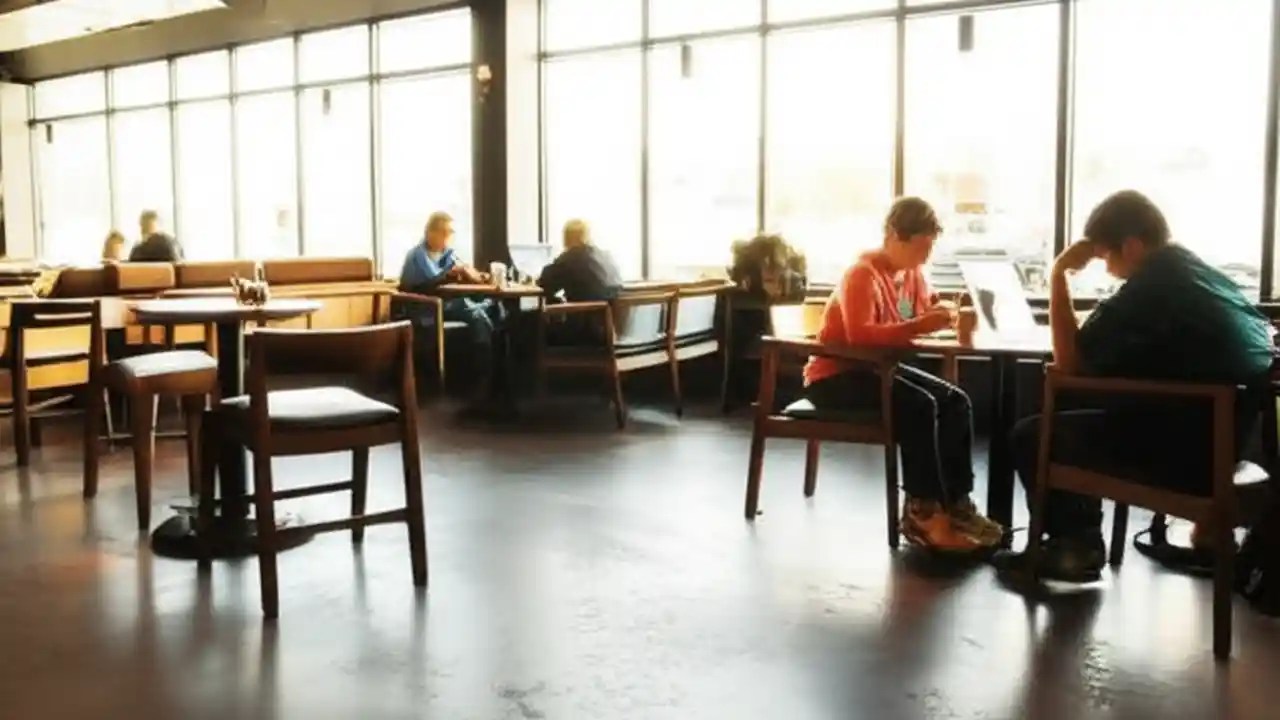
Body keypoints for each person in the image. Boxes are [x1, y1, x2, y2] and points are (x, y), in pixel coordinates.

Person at [998, 190, 1275, 582]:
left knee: (1033, 433)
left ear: (1130, 246)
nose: (1108, 269)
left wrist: (1058, 274)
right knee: (1074, 413)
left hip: (1185, 459)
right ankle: (1084, 542)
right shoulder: (1201, 274)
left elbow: (1070, 362)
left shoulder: (1151, 285)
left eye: (1106, 256)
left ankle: (1074, 546)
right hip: (1231, 445)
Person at [803, 196, 1004, 552]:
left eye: (930, 249)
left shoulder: (911, 275)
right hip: (835, 377)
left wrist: (942, 312)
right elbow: (860, 336)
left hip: (876, 371)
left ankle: (956, 503)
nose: (924, 259)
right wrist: (920, 324)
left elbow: (925, 307)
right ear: (894, 236)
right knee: (919, 405)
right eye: (920, 249)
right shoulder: (861, 275)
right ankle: (921, 513)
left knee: (955, 401)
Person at [397, 211, 504, 398]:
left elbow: (464, 275)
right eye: (444, 232)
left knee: (493, 307)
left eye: (451, 232)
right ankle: (484, 379)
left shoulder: (450, 255)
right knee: (475, 313)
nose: (448, 237)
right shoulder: (416, 256)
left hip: (450, 304)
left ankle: (497, 375)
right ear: (430, 232)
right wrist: (447, 276)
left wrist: (476, 276)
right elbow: (416, 287)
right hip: (427, 307)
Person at [538, 219, 623, 302]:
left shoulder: (571, 258)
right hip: (609, 314)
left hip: (583, 313)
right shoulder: (606, 256)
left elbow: (545, 284)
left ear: (566, 237)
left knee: (532, 313)